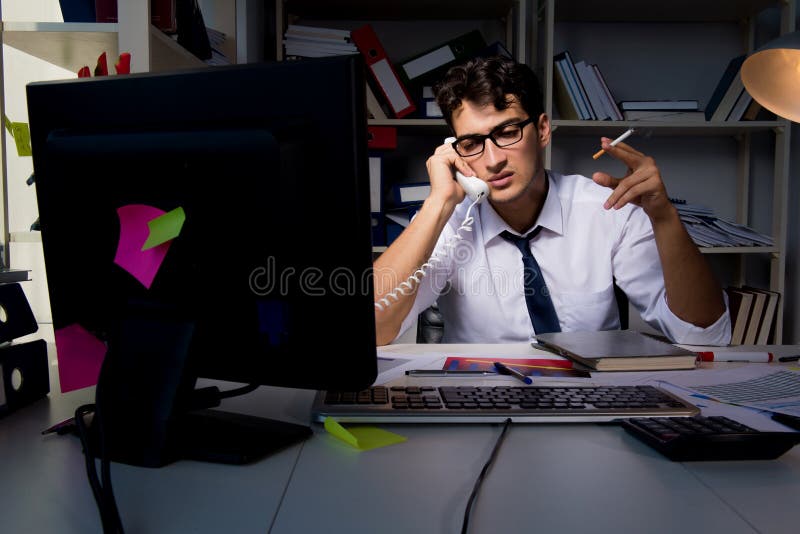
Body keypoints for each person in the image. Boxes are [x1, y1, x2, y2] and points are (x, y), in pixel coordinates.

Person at [373, 55, 730, 346]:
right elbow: (371, 332)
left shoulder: (606, 209)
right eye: (471, 143)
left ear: (542, 130)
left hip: (591, 403)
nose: (493, 159)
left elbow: (706, 334)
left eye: (508, 132)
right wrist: (437, 204)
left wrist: (665, 217)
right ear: (456, 152)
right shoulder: (452, 222)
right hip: (479, 400)